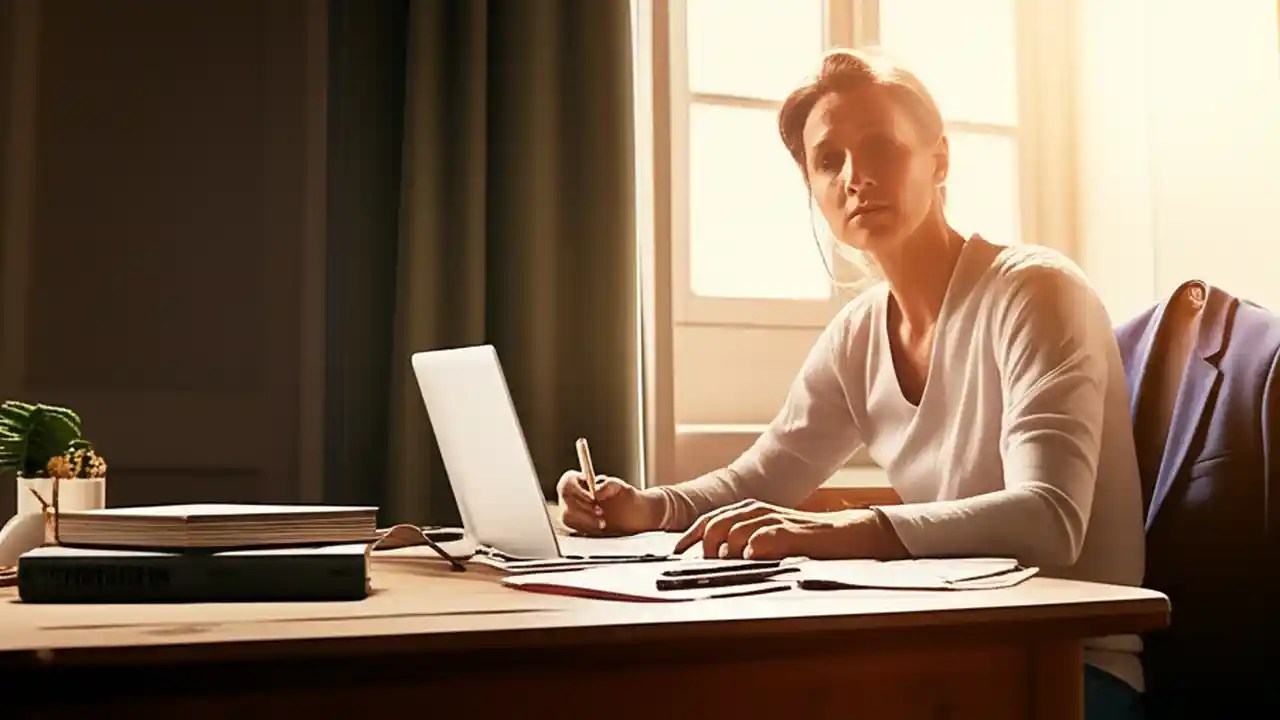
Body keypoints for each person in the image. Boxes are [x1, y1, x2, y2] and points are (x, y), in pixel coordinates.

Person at [556, 48, 1147, 719]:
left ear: (940, 160)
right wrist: (648, 507)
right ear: (812, 186)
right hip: (952, 654)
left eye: (881, 148)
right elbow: (763, 476)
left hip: (1069, 670)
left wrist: (835, 530)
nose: (856, 177)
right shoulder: (861, 331)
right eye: (828, 160)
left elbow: (1049, 520)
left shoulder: (1035, 291)